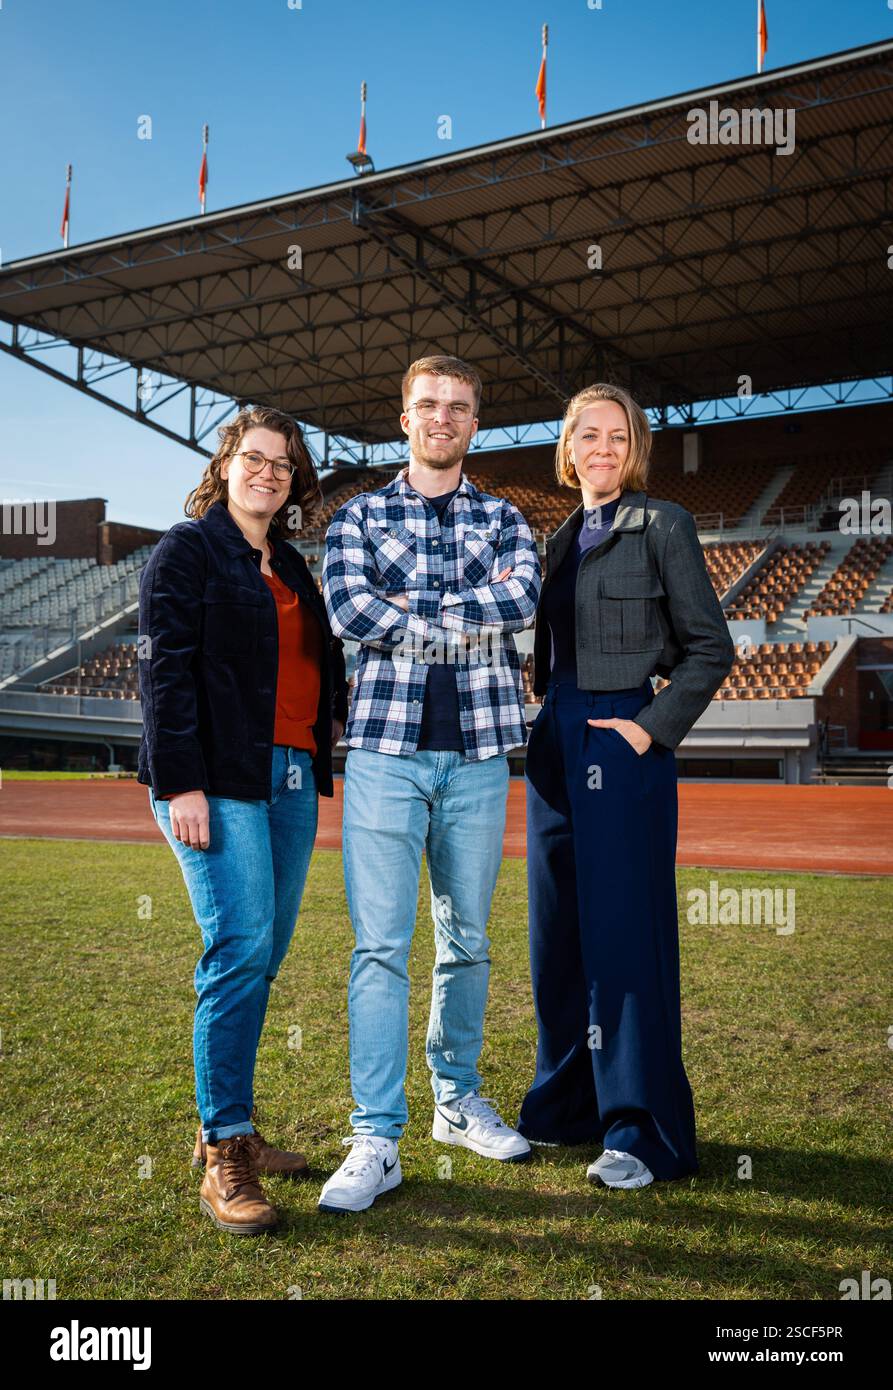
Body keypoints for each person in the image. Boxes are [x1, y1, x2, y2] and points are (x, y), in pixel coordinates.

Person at [319, 354, 542, 1212]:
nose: (441, 417)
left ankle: (455, 1100)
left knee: (468, 939)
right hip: (383, 751)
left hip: (480, 755)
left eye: (456, 406)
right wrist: (457, 619)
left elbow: (519, 601)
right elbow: (350, 613)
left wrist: (412, 619)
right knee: (379, 947)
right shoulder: (357, 515)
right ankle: (375, 1136)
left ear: (473, 424)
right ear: (403, 418)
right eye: (426, 405)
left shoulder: (506, 515)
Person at [137, 405, 348, 1235]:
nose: (268, 472)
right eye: (254, 457)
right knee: (237, 946)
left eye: (283, 465)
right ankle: (224, 1149)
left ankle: (228, 1124)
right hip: (216, 777)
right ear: (225, 463)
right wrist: (181, 782)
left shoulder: (292, 565)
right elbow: (164, 673)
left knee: (261, 954)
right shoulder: (187, 549)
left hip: (292, 777)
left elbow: (313, 666)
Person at [518, 382, 734, 1189]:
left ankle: (642, 1134)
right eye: (586, 435)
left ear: (632, 447)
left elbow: (709, 648)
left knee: (623, 937)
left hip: (622, 739)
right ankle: (566, 1107)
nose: (600, 450)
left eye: (615, 436)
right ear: (567, 446)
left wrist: (647, 725)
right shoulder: (558, 537)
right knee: (558, 935)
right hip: (554, 742)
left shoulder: (662, 524)